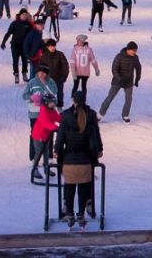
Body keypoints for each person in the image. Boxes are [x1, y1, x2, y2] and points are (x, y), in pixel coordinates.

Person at [55, 91, 103, 228]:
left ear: (73, 100)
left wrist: (57, 151)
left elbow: (60, 138)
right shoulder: (91, 115)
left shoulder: (65, 115)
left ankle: (69, 214)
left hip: (69, 160)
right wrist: (99, 151)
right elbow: (96, 136)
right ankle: (81, 214)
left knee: (69, 188)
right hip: (85, 160)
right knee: (83, 188)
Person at [98, 42, 142, 123]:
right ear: (129, 49)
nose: (135, 52)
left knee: (129, 99)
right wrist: (119, 79)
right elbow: (114, 69)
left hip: (128, 81)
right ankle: (100, 114)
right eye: (134, 50)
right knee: (110, 98)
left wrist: (137, 79)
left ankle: (125, 115)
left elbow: (138, 68)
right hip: (117, 81)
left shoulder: (135, 58)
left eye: (136, 51)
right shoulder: (119, 56)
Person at [23, 65, 58, 160]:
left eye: (43, 73)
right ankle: (33, 157)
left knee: (49, 134)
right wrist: (32, 98)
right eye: (39, 73)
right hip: (35, 113)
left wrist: (45, 84)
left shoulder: (50, 82)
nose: (41, 75)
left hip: (48, 113)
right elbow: (25, 95)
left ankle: (49, 158)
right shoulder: (32, 82)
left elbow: (54, 93)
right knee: (34, 135)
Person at [30, 92, 62, 179]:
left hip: (47, 135)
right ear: (46, 102)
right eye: (51, 103)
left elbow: (57, 118)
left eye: (53, 102)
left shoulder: (52, 110)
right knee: (39, 152)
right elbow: (46, 123)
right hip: (39, 135)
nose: (53, 104)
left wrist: (63, 122)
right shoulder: (43, 111)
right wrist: (55, 127)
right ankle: (35, 168)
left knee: (46, 151)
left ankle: (46, 167)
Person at [2, 9, 32, 84]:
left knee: (24, 60)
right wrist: (3, 42)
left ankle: (24, 73)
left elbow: (32, 35)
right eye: (23, 15)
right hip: (15, 44)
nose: (24, 16)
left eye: (26, 15)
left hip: (24, 45)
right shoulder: (15, 23)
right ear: (20, 15)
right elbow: (8, 33)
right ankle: (16, 74)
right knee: (15, 60)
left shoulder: (29, 24)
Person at [39, 38, 70, 108]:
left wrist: (64, 76)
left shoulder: (60, 54)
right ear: (47, 47)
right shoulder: (44, 56)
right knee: (49, 93)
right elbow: (41, 68)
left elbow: (65, 66)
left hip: (59, 78)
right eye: (51, 46)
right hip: (48, 79)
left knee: (60, 93)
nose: (52, 48)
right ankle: (49, 106)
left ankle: (60, 105)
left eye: (54, 46)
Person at [70, 34, 100, 101]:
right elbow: (72, 61)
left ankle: (83, 99)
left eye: (79, 40)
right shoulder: (74, 49)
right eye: (77, 40)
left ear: (82, 41)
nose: (77, 41)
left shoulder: (89, 49)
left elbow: (93, 60)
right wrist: (73, 71)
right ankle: (73, 99)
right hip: (77, 72)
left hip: (85, 72)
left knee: (84, 86)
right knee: (75, 85)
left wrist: (96, 69)